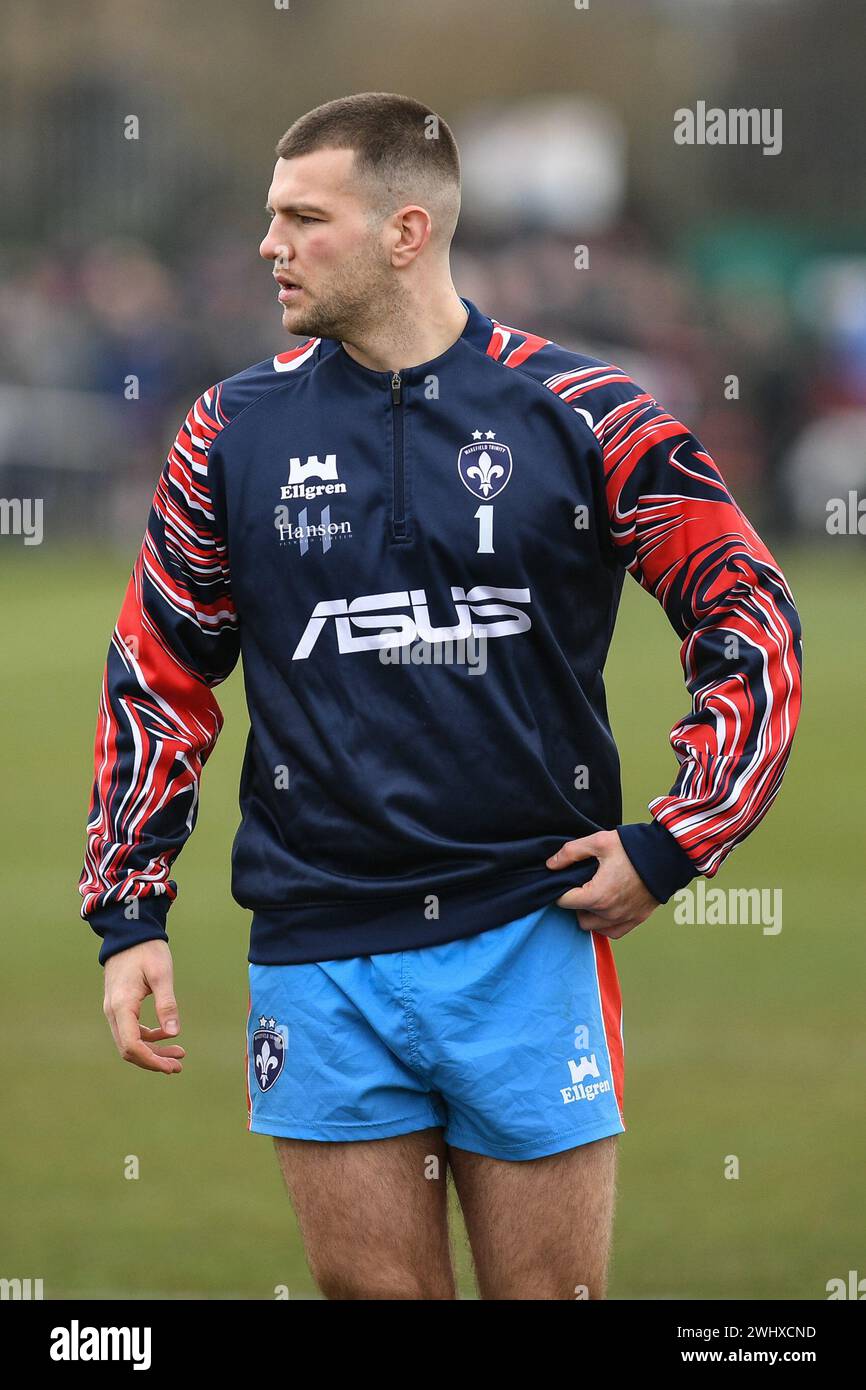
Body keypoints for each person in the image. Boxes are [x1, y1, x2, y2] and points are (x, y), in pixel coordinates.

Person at [78, 92, 803, 1300]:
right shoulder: (229, 430)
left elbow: (747, 613)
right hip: (315, 944)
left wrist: (679, 836)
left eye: (303, 218)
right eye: (270, 216)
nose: (269, 245)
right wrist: (130, 912)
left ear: (405, 230)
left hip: (527, 934)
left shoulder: (588, 414)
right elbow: (158, 671)